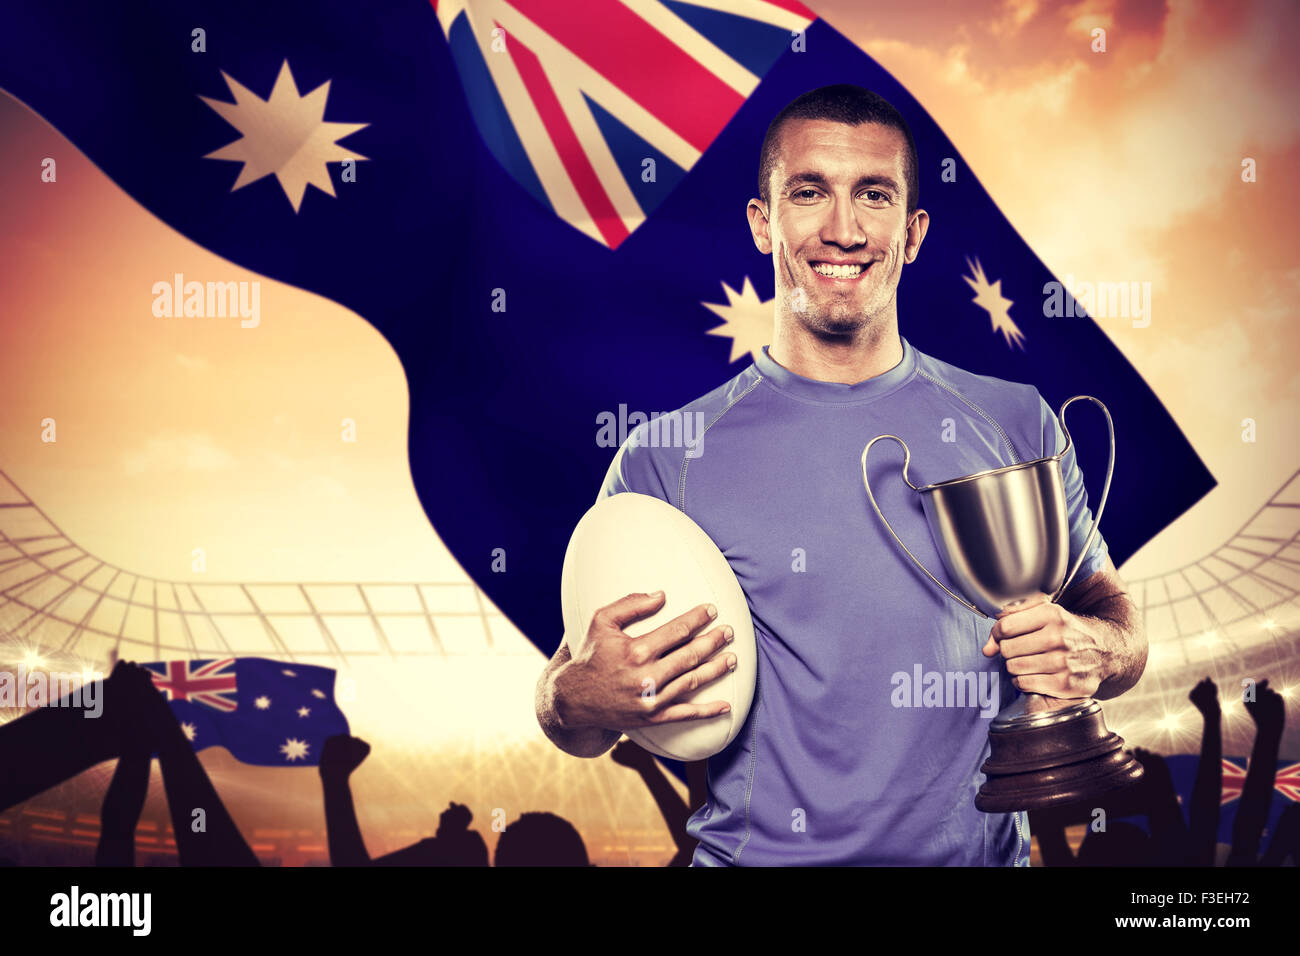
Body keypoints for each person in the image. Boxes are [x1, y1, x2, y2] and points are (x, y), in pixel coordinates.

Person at [535, 84, 1146, 866]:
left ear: (913, 232)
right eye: (809, 192)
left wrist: (1097, 649)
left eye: (874, 195)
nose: (844, 230)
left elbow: (1116, 623)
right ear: (763, 222)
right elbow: (575, 706)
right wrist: (575, 700)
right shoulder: (666, 457)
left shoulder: (1017, 422)